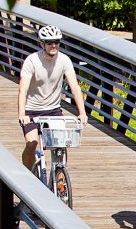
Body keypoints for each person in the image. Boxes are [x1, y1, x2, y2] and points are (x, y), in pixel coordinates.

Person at [18, 25, 89, 189]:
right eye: (50, 43)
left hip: (53, 109)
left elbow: (75, 86)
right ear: (42, 43)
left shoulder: (64, 60)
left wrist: (82, 112)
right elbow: (23, 89)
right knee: (32, 143)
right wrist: (22, 113)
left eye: (57, 42)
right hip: (32, 109)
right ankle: (26, 176)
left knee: (61, 145)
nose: (54, 46)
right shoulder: (32, 61)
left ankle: (59, 176)